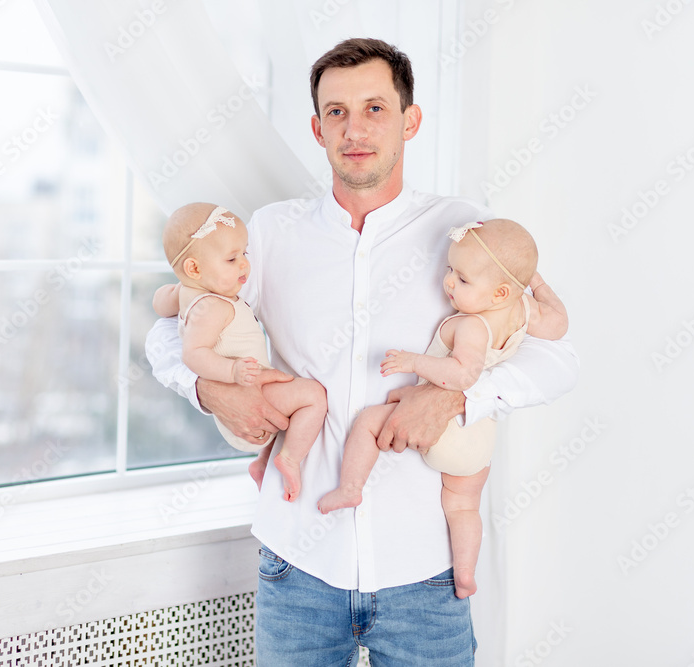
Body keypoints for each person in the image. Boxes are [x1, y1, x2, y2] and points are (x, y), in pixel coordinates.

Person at [146, 38, 578, 665]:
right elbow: (168, 326)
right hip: (296, 570)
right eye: (337, 112)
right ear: (317, 129)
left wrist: (461, 396)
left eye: (376, 108)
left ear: (411, 119)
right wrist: (207, 388)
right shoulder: (266, 235)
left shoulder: (468, 233)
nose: (355, 128)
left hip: (427, 575)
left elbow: (559, 355)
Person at [318, 218, 569, 601]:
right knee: (464, 506)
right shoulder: (523, 311)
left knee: (369, 422)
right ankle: (466, 572)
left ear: (500, 291)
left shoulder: (470, 326)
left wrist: (413, 363)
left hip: (446, 429)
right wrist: (536, 285)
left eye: (463, 279)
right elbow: (559, 324)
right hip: (480, 437)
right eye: (450, 270)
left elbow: (463, 374)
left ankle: (351, 487)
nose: (449, 282)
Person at [152, 202, 326, 502]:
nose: (245, 265)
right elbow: (192, 354)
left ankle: (262, 464)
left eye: (244, 253)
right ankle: (289, 459)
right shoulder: (211, 307)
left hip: (255, 389)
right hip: (246, 392)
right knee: (313, 397)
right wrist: (230, 372)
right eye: (232, 259)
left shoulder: (191, 294)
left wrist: (178, 291)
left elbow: (160, 303)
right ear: (194, 268)